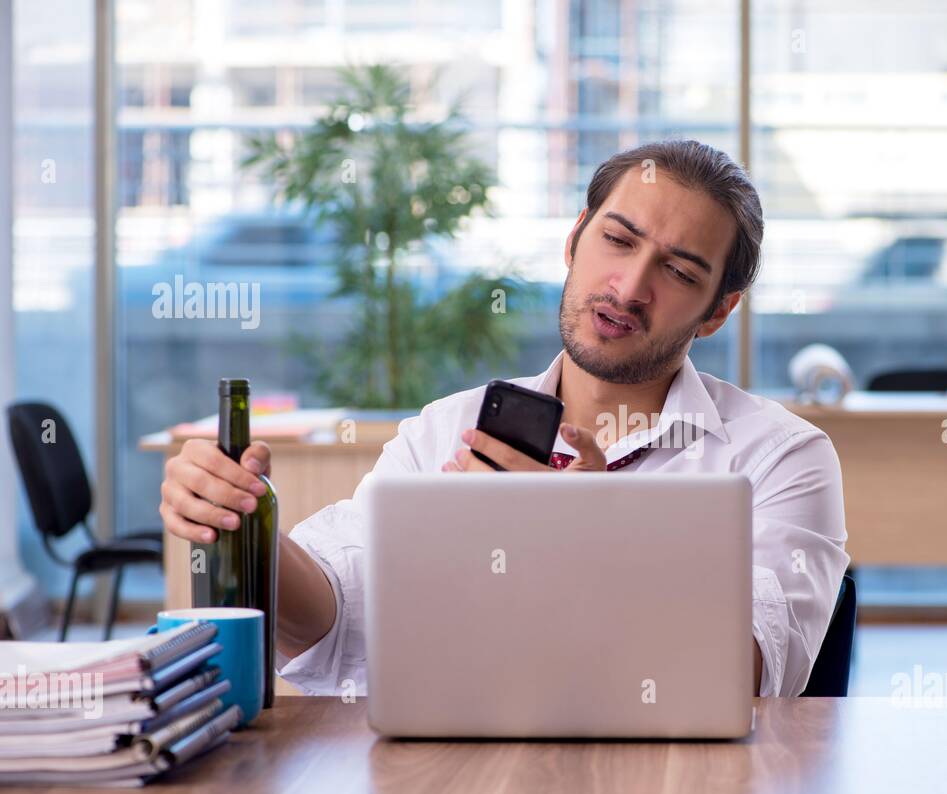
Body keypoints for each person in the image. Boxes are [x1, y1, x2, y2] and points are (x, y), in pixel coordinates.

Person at [159, 139, 849, 697]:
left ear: (718, 310)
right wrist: (253, 525)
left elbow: (757, 678)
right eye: (618, 239)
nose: (630, 286)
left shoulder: (782, 456)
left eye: (679, 271)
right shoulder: (445, 430)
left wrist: (600, 534)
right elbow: (337, 619)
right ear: (575, 240)